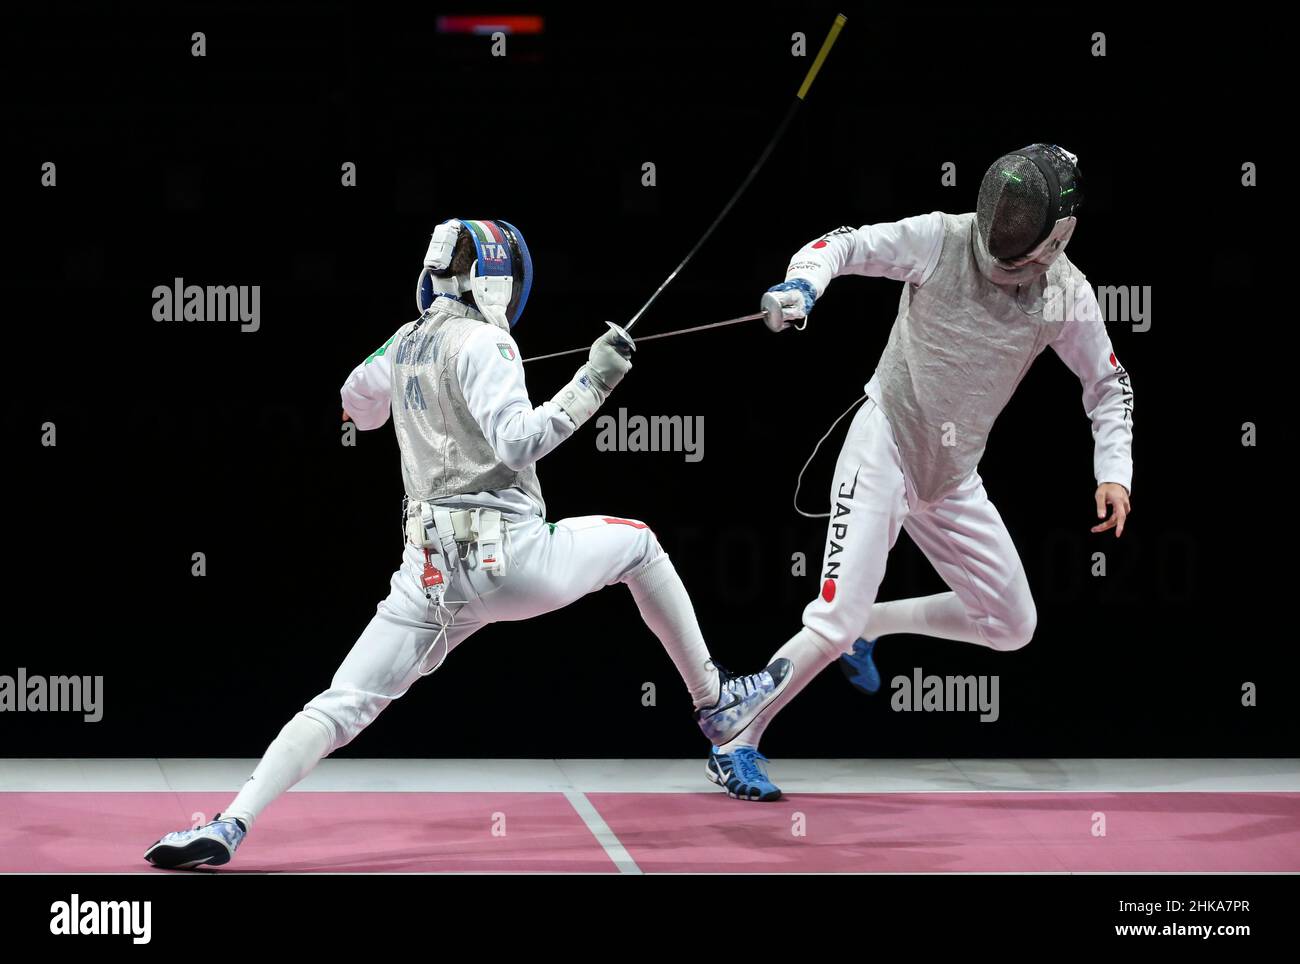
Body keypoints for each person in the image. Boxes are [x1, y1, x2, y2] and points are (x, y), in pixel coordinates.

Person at [145, 218, 790, 868]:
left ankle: (230, 824)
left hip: (428, 570)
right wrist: (595, 381)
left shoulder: (404, 343)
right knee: (640, 546)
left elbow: (355, 400)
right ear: (496, 280)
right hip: (511, 562)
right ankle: (714, 704)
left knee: (341, 704)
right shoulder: (491, 345)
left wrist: (391, 398)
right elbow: (518, 443)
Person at [709, 145, 1133, 801]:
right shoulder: (944, 238)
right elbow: (844, 246)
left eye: (1023, 222)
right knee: (830, 621)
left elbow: (1108, 387)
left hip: (953, 478)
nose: (1005, 231)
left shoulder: (1065, 294)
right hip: (885, 444)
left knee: (1010, 625)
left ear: (1057, 235)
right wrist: (802, 284)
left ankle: (871, 628)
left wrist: (1115, 471)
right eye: (1004, 214)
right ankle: (734, 741)